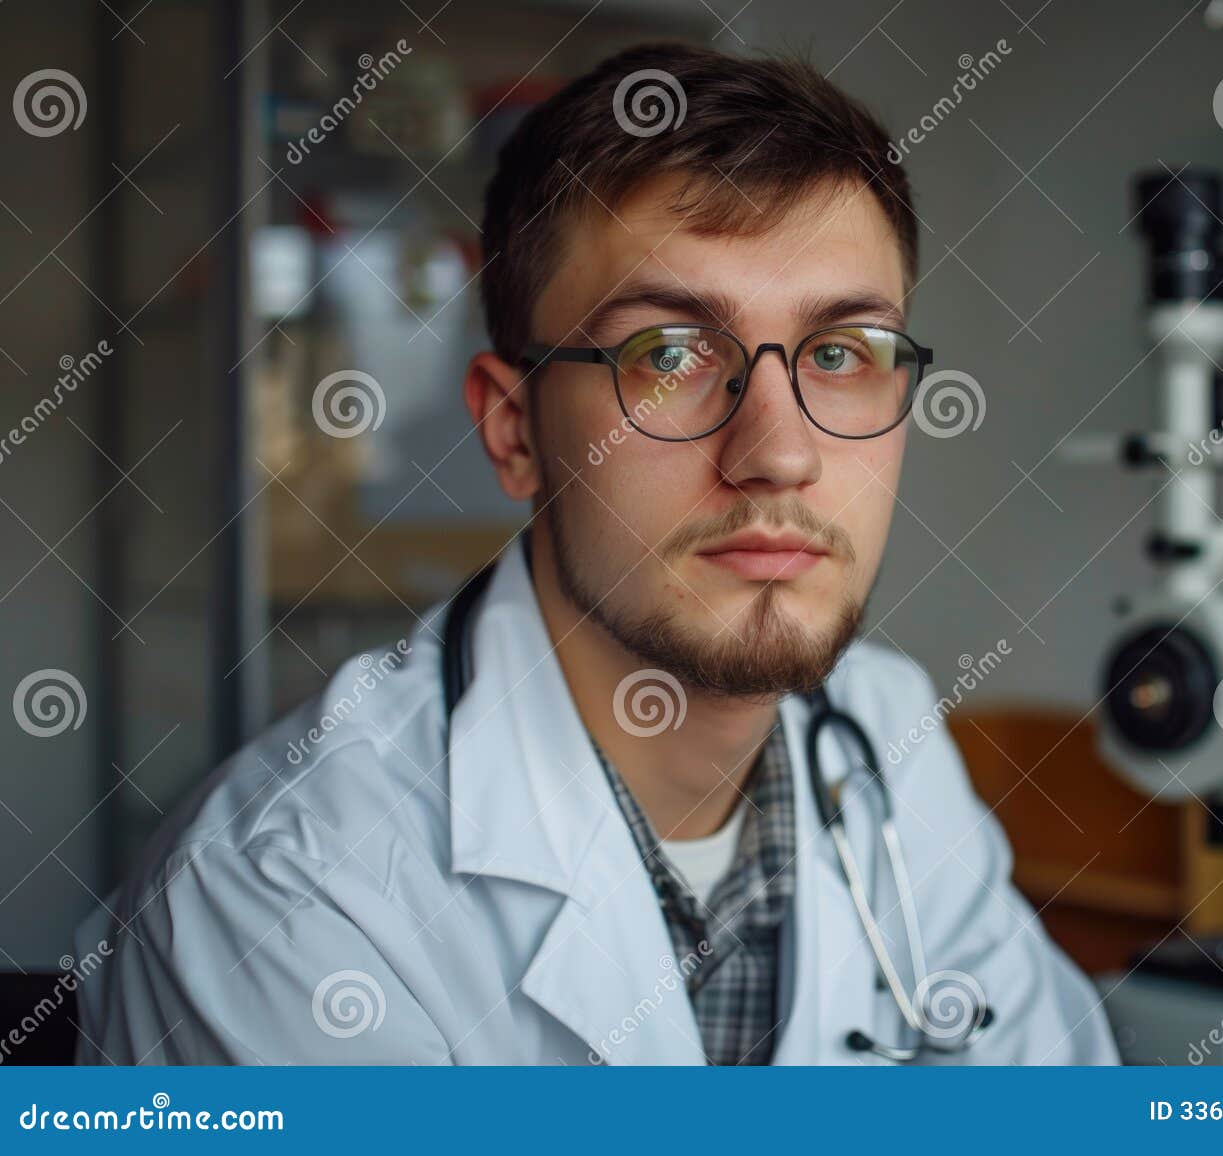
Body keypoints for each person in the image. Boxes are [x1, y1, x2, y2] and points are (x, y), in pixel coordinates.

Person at [74, 41, 1117, 1066]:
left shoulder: (885, 736)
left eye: (838, 354)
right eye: (667, 355)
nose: (779, 451)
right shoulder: (281, 902)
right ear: (515, 430)